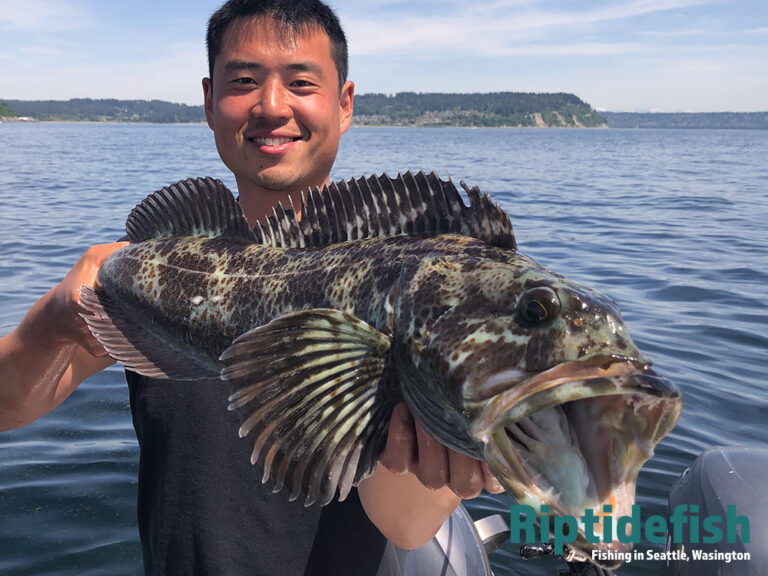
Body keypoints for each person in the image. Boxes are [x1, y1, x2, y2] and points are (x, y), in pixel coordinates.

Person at [0, 1, 503, 574]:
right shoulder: (155, 275)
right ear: (210, 103)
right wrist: (53, 321)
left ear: (344, 105)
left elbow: (404, 525)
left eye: (300, 82)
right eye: (244, 81)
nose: (271, 105)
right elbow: (7, 404)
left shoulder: (417, 292)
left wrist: (447, 444)